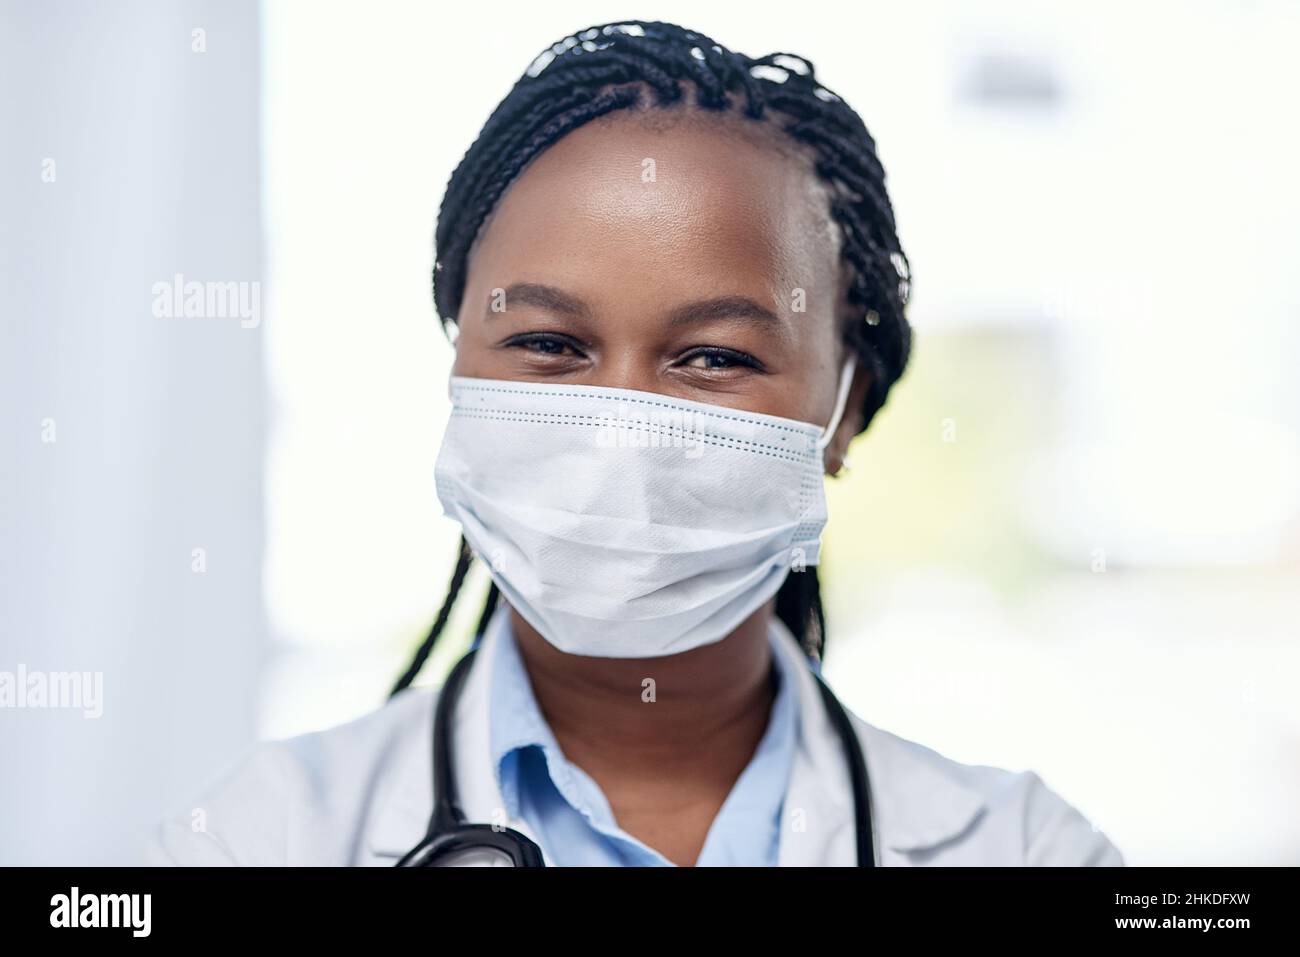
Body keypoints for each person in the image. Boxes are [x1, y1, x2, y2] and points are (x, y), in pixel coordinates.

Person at [147, 20, 1122, 867]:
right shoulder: (255, 839)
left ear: (847, 407)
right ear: (461, 366)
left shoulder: (1028, 849)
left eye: (709, 356)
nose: (617, 427)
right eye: (547, 344)